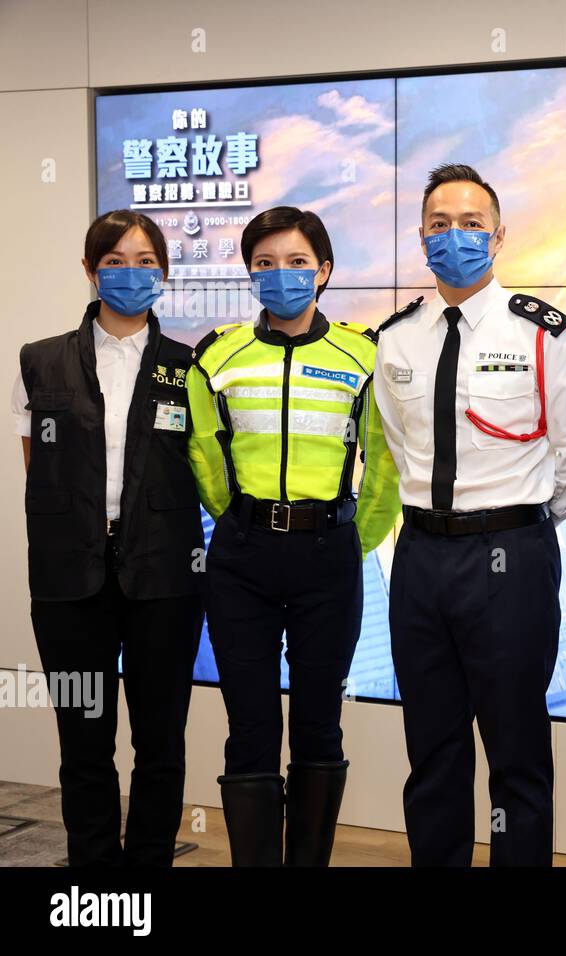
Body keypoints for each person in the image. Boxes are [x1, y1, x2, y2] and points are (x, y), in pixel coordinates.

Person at [373, 163, 566, 867]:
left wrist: (516, 526)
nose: (454, 237)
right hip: (420, 562)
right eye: (440, 225)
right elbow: (396, 442)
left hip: (510, 560)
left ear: (499, 236)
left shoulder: (543, 332)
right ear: (421, 237)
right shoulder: (397, 336)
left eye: (471, 224)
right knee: (431, 751)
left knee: (517, 754)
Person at [187, 205, 401, 866]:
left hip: (328, 557)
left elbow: (384, 460)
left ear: (325, 270)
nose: (282, 276)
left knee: (317, 725)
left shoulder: (364, 355)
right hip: (242, 559)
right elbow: (203, 454)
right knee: (249, 727)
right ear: (250, 272)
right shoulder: (218, 356)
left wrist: (352, 537)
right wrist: (240, 521)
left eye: (298, 262)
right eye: (266, 263)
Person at [13, 210, 204, 866]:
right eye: (115, 261)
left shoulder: (188, 366)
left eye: (145, 260)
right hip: (70, 585)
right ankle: (95, 874)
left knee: (161, 744)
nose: (130, 273)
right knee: (83, 743)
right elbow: (40, 466)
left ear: (165, 274)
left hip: (166, 583)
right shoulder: (39, 362)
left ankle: (147, 868)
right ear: (91, 270)